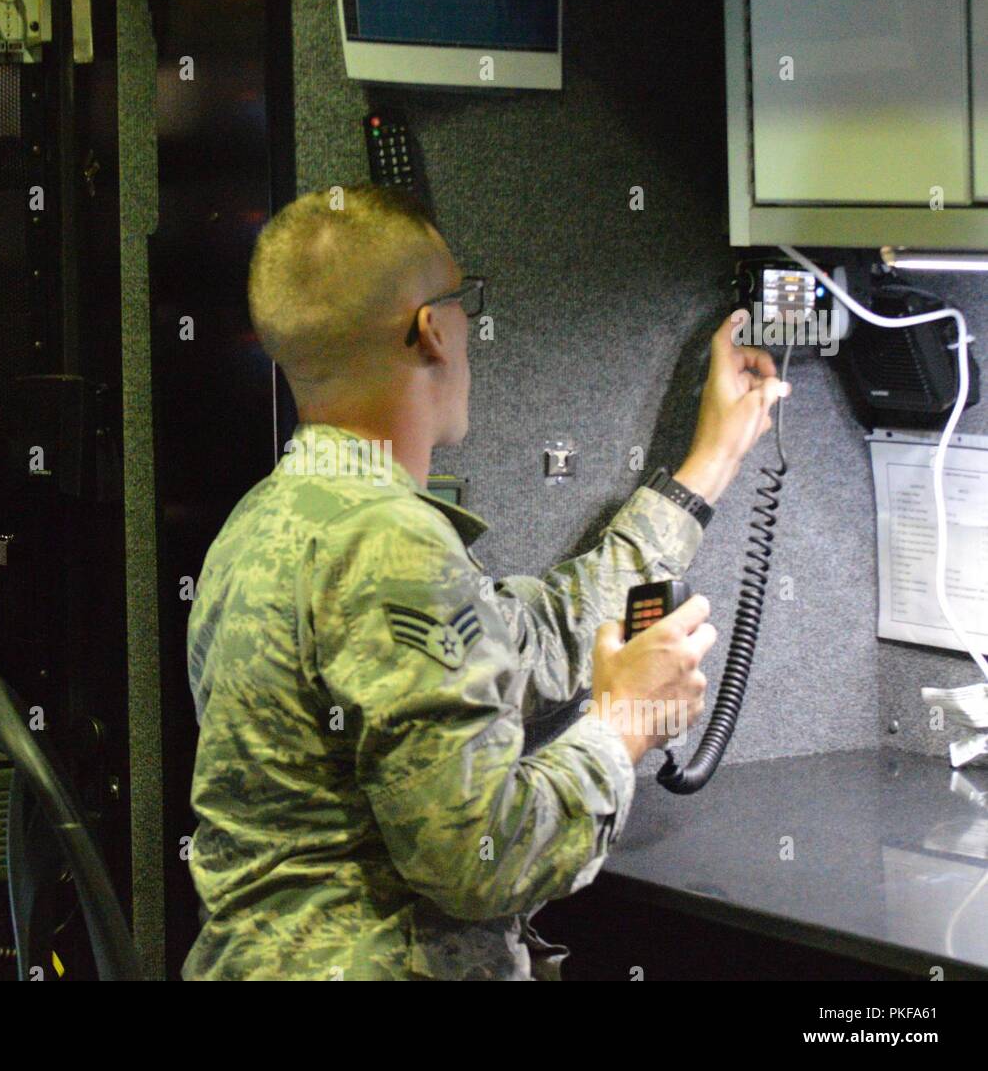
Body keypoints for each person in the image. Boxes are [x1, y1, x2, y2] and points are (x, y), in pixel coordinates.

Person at [183, 185, 790, 980]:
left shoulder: (268, 520)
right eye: (464, 302)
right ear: (432, 330)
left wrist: (706, 468)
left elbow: (524, 640)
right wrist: (627, 725)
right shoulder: (389, 545)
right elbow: (481, 861)